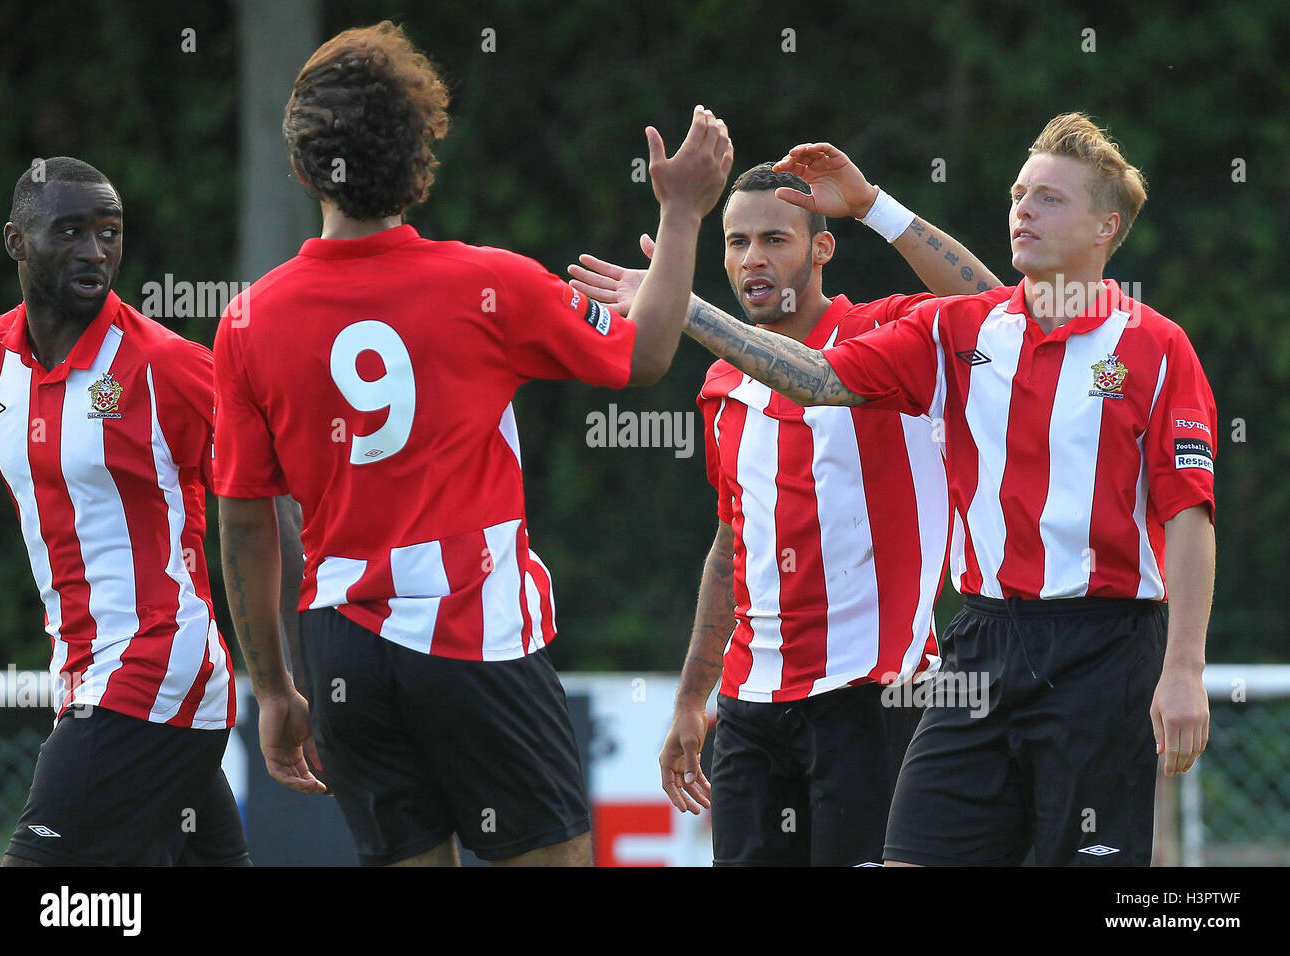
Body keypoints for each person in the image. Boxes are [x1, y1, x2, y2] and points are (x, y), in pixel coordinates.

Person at [211, 21, 733, 867]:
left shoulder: (247, 320)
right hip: (470, 635)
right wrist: (680, 213)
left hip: (341, 647)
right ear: (420, 162)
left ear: (305, 165)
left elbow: (245, 523)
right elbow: (646, 355)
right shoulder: (485, 284)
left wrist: (272, 688)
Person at [675, 115, 1215, 866]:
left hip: (1106, 647)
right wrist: (685, 306)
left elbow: (1190, 515)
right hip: (983, 642)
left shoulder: (1155, 346)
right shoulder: (959, 331)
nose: (1022, 209)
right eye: (1019, 193)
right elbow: (819, 378)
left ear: (1105, 227)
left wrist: (1185, 668)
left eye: (1050, 199)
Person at [569, 158, 1000, 865]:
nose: (752, 259)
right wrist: (689, 700)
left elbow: (994, 305)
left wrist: (874, 207)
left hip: (872, 697)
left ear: (822, 249)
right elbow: (730, 544)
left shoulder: (888, 335)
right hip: (749, 709)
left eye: (775, 239)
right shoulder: (720, 383)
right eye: (736, 243)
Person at [0, 157, 249, 866]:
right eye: (70, 231)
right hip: (86, 671)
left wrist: (294, 667)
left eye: (110, 232)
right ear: (16, 241)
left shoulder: (168, 365)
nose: (95, 250)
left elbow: (274, 494)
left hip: (154, 666)